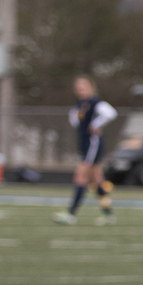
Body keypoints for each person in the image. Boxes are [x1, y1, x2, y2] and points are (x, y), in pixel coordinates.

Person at [52, 76, 118, 225]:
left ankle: (70, 214)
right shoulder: (81, 104)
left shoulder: (95, 102)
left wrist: (96, 124)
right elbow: (75, 121)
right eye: (78, 86)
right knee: (98, 180)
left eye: (84, 86)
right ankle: (108, 215)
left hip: (92, 144)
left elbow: (111, 113)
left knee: (80, 177)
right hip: (85, 144)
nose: (81, 89)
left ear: (91, 87)